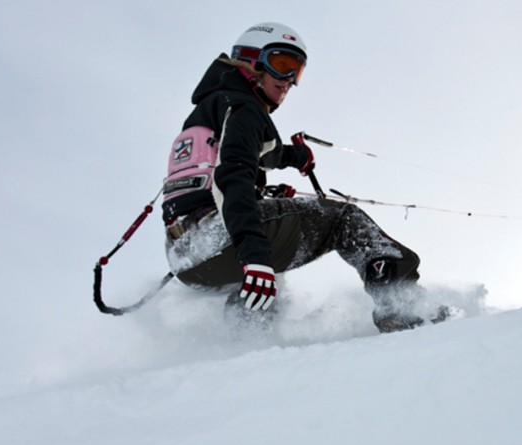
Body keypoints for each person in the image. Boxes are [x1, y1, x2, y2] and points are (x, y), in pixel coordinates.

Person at [162, 22, 434, 333]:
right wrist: (253, 255)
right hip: (221, 238)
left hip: (186, 257)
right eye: (282, 64)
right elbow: (233, 176)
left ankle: (244, 342)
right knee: (342, 218)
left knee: (264, 278)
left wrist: (294, 158)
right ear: (251, 61)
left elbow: (246, 158)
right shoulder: (244, 108)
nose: (288, 80)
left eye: (297, 72)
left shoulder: (212, 109)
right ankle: (402, 306)